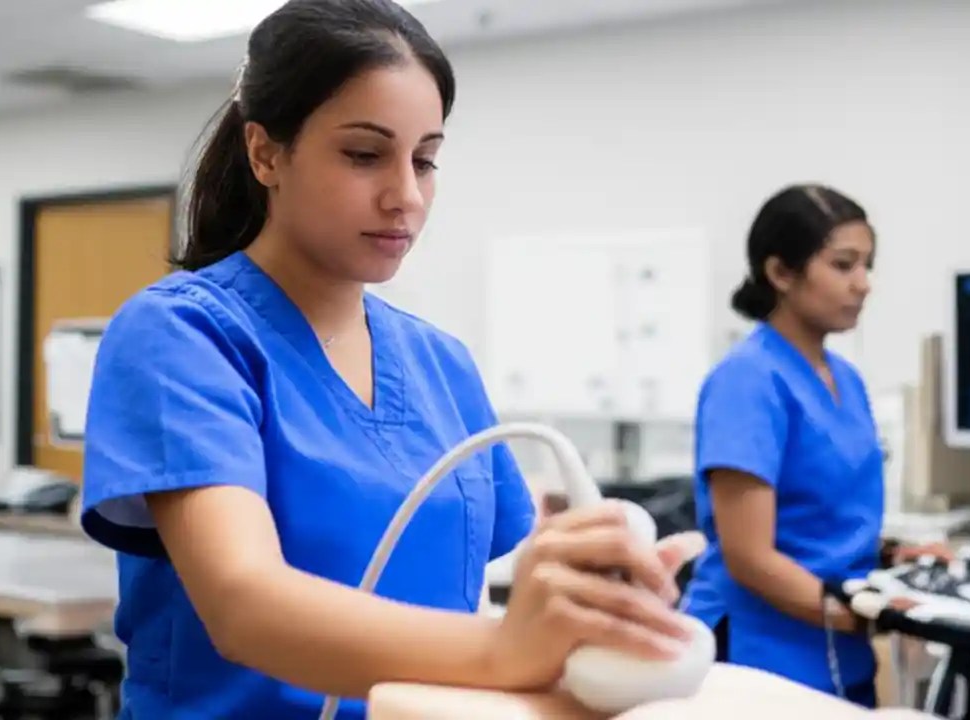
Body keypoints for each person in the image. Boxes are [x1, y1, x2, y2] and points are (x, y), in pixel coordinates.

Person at [78, 1, 699, 718]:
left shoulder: (443, 366)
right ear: (265, 153)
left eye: (426, 160)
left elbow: (478, 580)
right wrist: (505, 651)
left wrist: (598, 601)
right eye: (364, 154)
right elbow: (242, 603)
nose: (406, 195)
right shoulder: (182, 337)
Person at [681, 184, 948, 708]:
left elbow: (824, 520)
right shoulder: (748, 380)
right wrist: (870, 614)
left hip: (837, 649)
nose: (864, 284)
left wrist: (893, 559)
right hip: (758, 655)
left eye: (867, 266)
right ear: (781, 273)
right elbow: (750, 557)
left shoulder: (847, 380)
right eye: (844, 265)